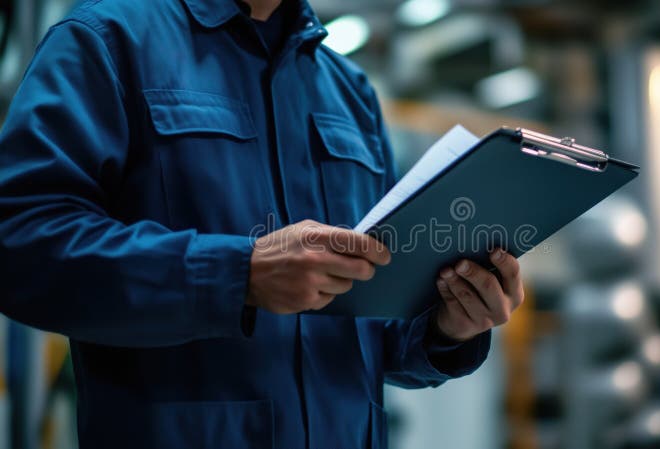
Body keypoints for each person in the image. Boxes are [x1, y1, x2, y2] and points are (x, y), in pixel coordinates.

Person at [0, 0, 524, 447]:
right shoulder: (107, 40)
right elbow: (19, 241)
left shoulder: (349, 92)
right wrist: (237, 274)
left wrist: (446, 326)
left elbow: (370, 329)